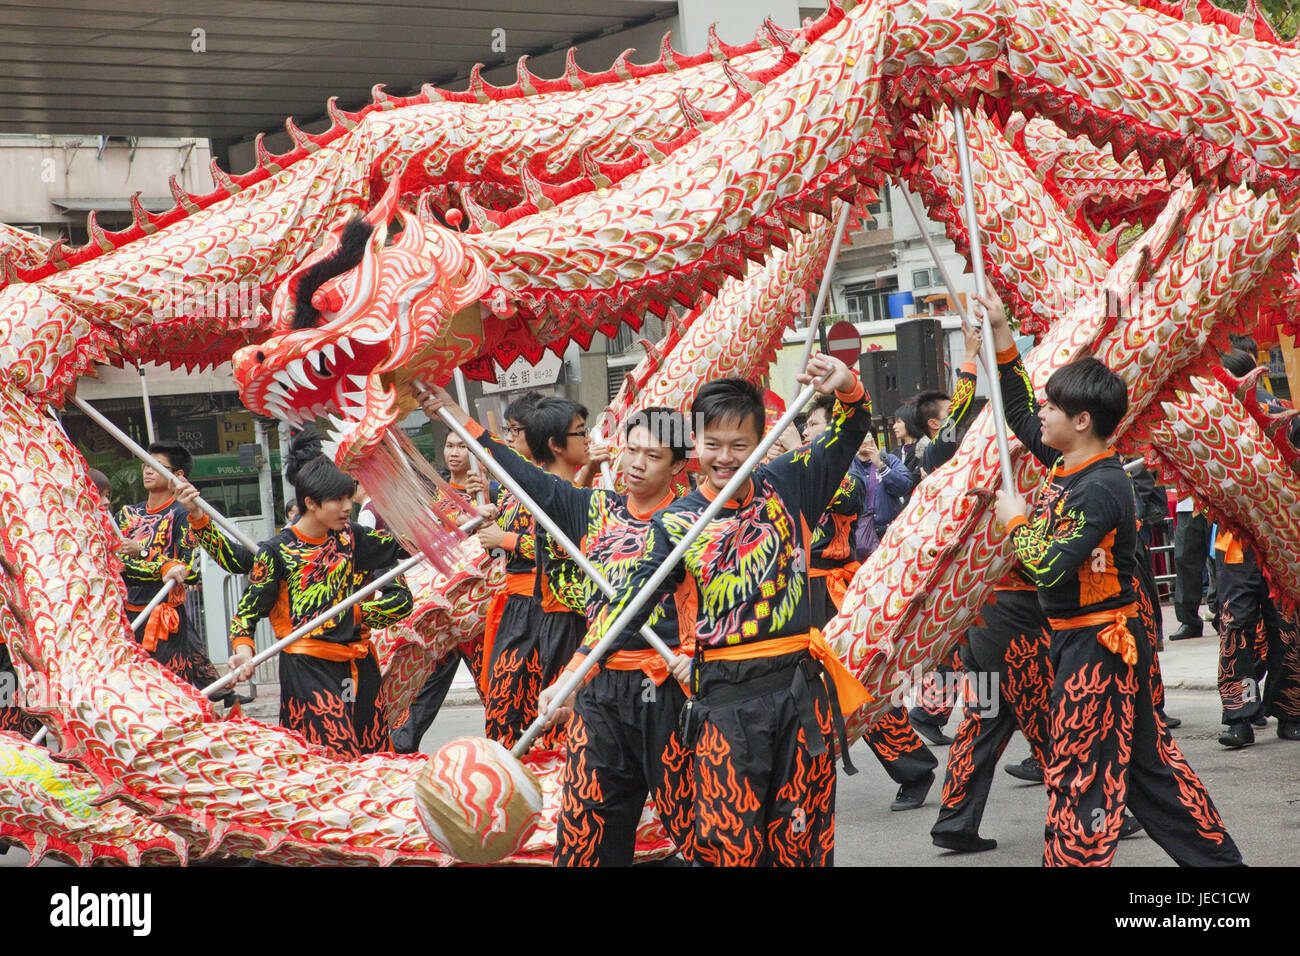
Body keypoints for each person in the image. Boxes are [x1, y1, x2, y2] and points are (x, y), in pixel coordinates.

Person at [560, 354, 873, 866]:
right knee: (730, 846)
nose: (725, 458)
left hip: (798, 693)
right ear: (695, 447)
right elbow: (628, 606)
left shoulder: (789, 482)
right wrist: (573, 675)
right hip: (724, 704)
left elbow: (850, 426)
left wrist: (848, 386)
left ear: (760, 442)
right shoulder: (678, 521)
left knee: (802, 843)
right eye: (712, 445)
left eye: (739, 446)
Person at [984, 289, 1241, 866]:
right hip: (1081, 641)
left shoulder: (1101, 486)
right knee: (1149, 772)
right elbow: (1019, 410)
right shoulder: (1065, 464)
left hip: (1099, 648)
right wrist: (1000, 332)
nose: (1042, 414)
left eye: (1056, 407)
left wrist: (1017, 521)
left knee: (1079, 773)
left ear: (1082, 421)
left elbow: (1047, 566)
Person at [422, 387, 697, 866]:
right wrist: (460, 420)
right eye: (631, 449)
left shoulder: (696, 521)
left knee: (693, 828)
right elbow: (523, 474)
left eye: (653, 455)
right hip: (599, 687)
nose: (635, 463)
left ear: (677, 466)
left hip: (668, 690)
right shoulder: (595, 510)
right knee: (587, 826)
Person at [227, 428, 413, 758]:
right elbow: (245, 615)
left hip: (357, 663)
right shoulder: (277, 552)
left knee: (372, 757)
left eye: (348, 497)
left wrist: (461, 520)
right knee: (333, 757)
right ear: (310, 503)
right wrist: (243, 651)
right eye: (337, 501)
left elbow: (401, 546)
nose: (347, 507)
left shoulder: (351, 538)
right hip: (308, 669)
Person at [805, 394, 937, 812]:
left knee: (854, 687)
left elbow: (845, 499)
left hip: (828, 592)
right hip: (791, 594)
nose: (805, 431)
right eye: (804, 425)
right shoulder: (792, 468)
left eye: (811, 424)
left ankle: (914, 766)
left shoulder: (845, 473)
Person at [388, 431, 498, 754]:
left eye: (462, 446)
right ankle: (399, 753)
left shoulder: (490, 494)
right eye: (449, 445)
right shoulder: (432, 495)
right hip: (440, 611)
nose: (454, 452)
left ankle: (504, 754)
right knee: (421, 693)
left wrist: (478, 516)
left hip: (477, 611)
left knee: (494, 690)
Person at [116, 442, 254, 698]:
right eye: (146, 464)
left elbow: (186, 570)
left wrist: (143, 553)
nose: (148, 470)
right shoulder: (126, 514)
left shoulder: (182, 514)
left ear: (177, 476)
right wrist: (160, 564)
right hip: (125, 615)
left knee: (169, 692)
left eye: (157, 466)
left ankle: (216, 695)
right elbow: (115, 560)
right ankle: (220, 691)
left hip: (164, 616)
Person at [1213, 348, 1300, 747]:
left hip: (1282, 534)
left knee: (1287, 624)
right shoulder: (1212, 421)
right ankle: (1240, 715)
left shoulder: (1281, 413)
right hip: (1235, 542)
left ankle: (1288, 710)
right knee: (1237, 624)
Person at [473, 392, 549, 746]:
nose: (512, 438)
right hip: (513, 605)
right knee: (501, 702)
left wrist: (505, 539)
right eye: (509, 430)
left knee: (540, 703)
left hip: (546, 605)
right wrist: (489, 524)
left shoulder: (556, 485)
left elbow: (566, 547)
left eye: (517, 431)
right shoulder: (507, 490)